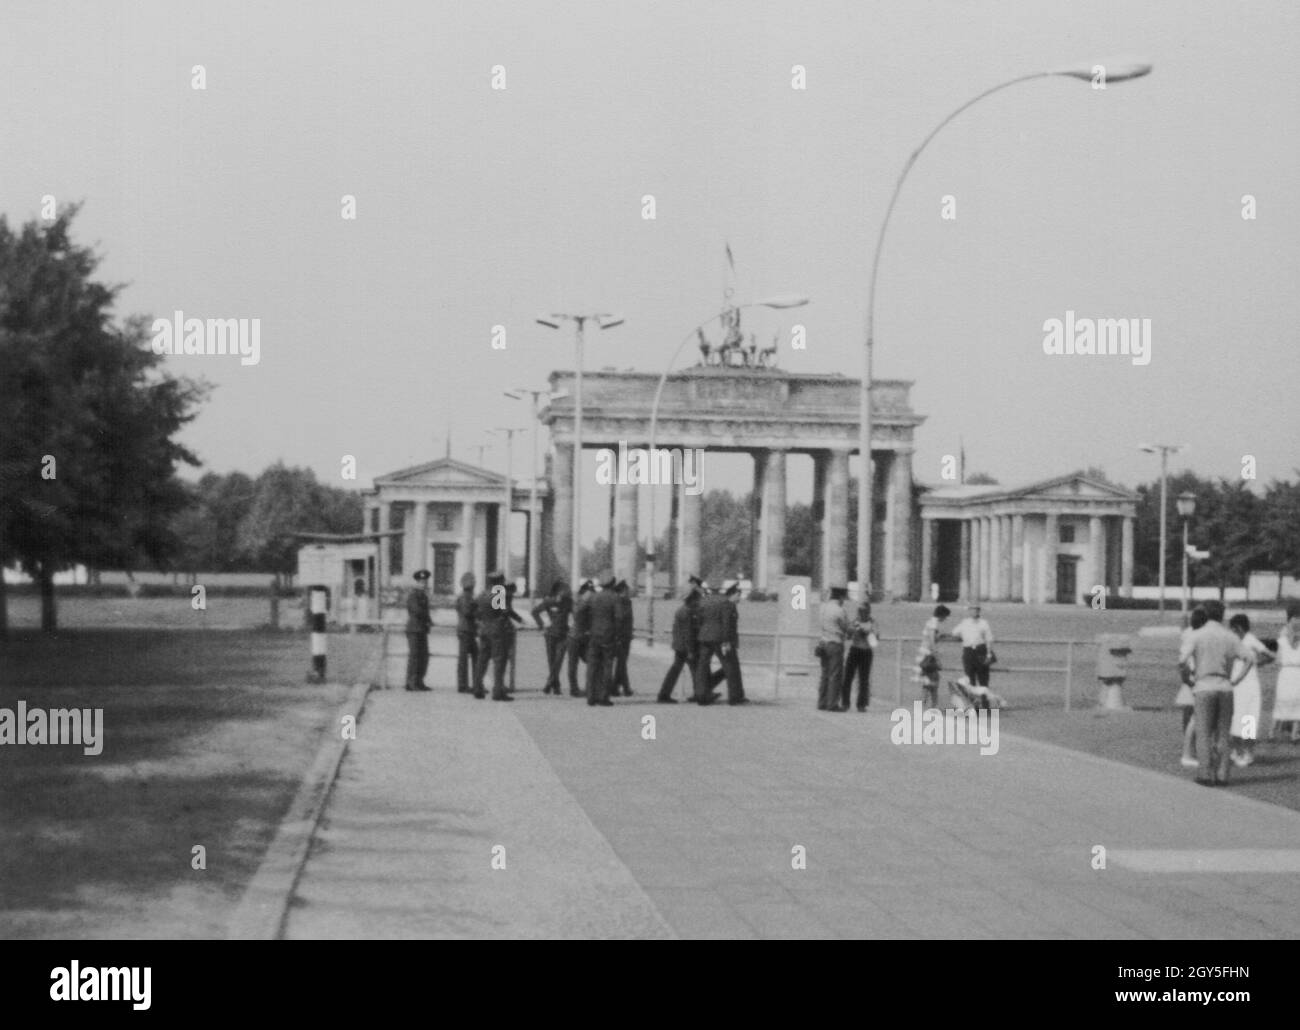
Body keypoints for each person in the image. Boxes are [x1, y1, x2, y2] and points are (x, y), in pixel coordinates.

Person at [1179, 599, 1255, 785]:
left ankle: (1205, 773)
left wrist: (1187, 678)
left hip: (1204, 685)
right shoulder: (1230, 637)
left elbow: (1182, 661)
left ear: (1206, 614)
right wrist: (1237, 679)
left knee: (1204, 732)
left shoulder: (1197, 635)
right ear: (1222, 615)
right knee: (1223, 732)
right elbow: (1249, 658)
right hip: (1225, 686)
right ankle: (1223, 774)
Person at [1228, 613, 1273, 767]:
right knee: (1234, 718)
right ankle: (1235, 750)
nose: (1232, 632)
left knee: (1249, 719)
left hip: (1250, 685)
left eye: (1233, 629)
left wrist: (1257, 663)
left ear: (1239, 628)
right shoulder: (1233, 641)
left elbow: (1270, 654)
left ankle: (1247, 753)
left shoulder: (1250, 640)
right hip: (1235, 685)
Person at [657, 588, 700, 703]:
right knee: (695, 669)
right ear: (693, 600)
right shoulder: (687, 612)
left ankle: (664, 694)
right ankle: (699, 693)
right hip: (684, 647)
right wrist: (691, 650)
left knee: (677, 670)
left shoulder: (682, 610)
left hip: (679, 645)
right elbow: (688, 633)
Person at [1176, 607, 1207, 767]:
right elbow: (1183, 662)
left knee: (1190, 716)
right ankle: (1191, 750)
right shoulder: (1198, 635)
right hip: (1197, 679)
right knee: (1195, 717)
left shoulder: (1188, 633)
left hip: (1192, 679)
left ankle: (1190, 748)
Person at [693, 584, 732, 705]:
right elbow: (726, 622)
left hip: (704, 636)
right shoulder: (724, 601)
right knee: (728, 665)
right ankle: (733, 695)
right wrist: (726, 640)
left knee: (702, 666)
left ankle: (700, 694)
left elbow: (699, 619)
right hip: (719, 636)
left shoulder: (703, 601)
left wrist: (702, 631)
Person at [532, 579, 572, 695]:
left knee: (558, 660)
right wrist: (541, 625)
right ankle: (556, 686)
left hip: (563, 634)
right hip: (550, 634)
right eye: (565, 589)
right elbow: (535, 612)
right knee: (552, 661)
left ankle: (549, 682)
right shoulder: (548, 601)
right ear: (558, 591)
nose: (567, 591)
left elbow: (577, 613)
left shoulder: (568, 601)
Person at [584, 575, 619, 706]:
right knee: (607, 666)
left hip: (593, 635)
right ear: (613, 584)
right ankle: (604, 697)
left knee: (592, 667)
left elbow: (584, 612)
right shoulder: (615, 598)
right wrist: (618, 634)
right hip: (608, 636)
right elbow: (619, 617)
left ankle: (590, 696)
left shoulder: (594, 597)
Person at [1269, 602, 1300, 743]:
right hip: (1288, 673)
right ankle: (1273, 731)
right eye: (1296, 618)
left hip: (1294, 673)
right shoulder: (1283, 637)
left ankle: (1293, 733)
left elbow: (1277, 660)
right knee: (1283, 702)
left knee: (1296, 703)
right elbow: (1278, 659)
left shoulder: (1283, 636)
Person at [953, 603, 996, 702]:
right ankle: (973, 705)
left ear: (979, 611)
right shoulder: (964, 622)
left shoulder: (984, 623)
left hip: (980, 650)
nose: (974, 612)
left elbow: (989, 639)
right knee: (970, 680)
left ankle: (985, 705)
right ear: (969, 611)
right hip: (968, 651)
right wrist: (962, 638)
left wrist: (989, 654)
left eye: (976, 610)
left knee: (983, 680)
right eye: (972, 610)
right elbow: (954, 632)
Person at [817, 585, 851, 711]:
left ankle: (822, 702)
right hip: (835, 643)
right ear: (841, 597)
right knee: (835, 675)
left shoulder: (823, 607)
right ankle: (832, 704)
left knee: (825, 674)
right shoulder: (839, 610)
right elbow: (846, 628)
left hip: (823, 642)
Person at [914, 604, 950, 710]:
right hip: (928, 656)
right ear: (942, 615)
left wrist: (940, 636)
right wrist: (938, 659)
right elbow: (932, 642)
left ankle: (923, 707)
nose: (945, 619)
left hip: (923, 654)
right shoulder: (934, 624)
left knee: (927, 683)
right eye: (945, 616)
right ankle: (933, 707)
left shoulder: (930, 622)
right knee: (933, 682)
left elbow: (930, 637)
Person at [842, 601, 876, 711]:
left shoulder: (873, 622)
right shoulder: (855, 622)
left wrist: (867, 632)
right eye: (860, 611)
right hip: (855, 649)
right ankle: (845, 703)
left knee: (864, 679)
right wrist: (851, 630)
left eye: (864, 611)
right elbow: (848, 636)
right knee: (848, 677)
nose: (862, 614)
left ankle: (861, 704)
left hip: (866, 651)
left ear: (868, 612)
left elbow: (875, 641)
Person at [405, 570, 433, 691]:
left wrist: (430, 621)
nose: (423, 584)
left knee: (423, 657)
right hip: (414, 629)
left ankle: (419, 681)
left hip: (422, 629)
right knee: (414, 656)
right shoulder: (413, 595)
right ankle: (411, 682)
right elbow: (417, 610)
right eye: (421, 582)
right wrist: (427, 618)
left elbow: (426, 612)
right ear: (416, 583)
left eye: (425, 582)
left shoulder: (423, 596)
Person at [720, 581, 747, 705]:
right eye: (738, 595)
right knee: (731, 670)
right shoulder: (728, 606)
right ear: (732, 595)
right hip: (728, 642)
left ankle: (738, 694)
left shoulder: (730, 606)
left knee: (734, 669)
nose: (739, 598)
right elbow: (726, 626)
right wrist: (726, 642)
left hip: (731, 641)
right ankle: (734, 697)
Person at [566, 580, 594, 697]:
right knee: (573, 664)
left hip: (585, 638)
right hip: (575, 637)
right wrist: (585, 600)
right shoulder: (578, 602)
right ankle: (574, 689)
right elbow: (577, 614)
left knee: (591, 662)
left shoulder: (589, 602)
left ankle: (589, 688)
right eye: (589, 592)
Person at [455, 573, 478, 694]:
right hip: (466, 630)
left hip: (467, 630)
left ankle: (474, 684)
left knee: (474, 656)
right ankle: (464, 685)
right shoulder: (466, 597)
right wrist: (478, 613)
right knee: (465, 659)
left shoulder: (466, 596)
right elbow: (467, 612)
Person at [612, 579, 634, 697]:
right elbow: (620, 619)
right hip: (621, 637)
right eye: (627, 589)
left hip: (627, 636)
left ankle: (615, 688)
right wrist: (618, 636)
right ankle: (625, 688)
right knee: (622, 663)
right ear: (623, 591)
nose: (629, 591)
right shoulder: (619, 602)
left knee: (622, 663)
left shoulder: (627, 602)